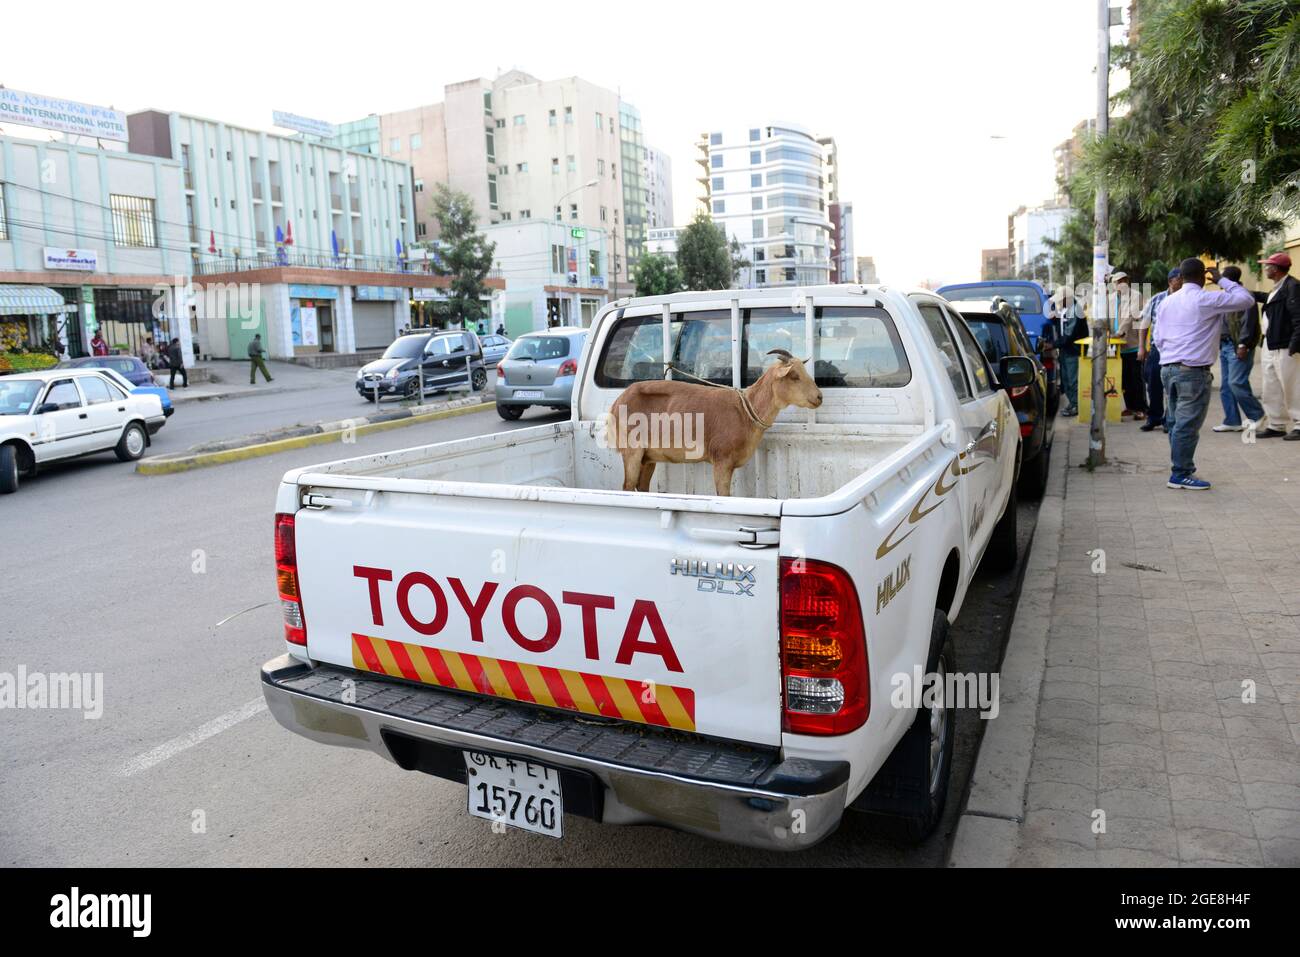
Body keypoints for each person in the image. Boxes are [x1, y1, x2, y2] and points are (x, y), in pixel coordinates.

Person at [1153, 258, 1255, 490]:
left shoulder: (1167, 302)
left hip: (1168, 368)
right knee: (1186, 425)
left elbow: (1157, 336)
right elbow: (1247, 300)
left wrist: (1171, 354)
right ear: (1203, 276)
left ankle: (1180, 468)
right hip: (1192, 371)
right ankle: (1180, 473)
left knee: (1176, 422)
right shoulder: (1206, 298)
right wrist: (1222, 280)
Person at [1248, 251, 1300, 440]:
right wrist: (1249, 293)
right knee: (1270, 385)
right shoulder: (1279, 287)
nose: (1266, 268)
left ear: (1276, 269)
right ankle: (1276, 424)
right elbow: (1270, 300)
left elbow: (1298, 317)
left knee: (1292, 385)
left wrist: (1295, 345)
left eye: (1268, 265)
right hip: (1271, 344)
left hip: (1286, 346)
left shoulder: (1292, 286)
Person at [1210, 265, 1267, 433]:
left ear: (1228, 279)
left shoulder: (1244, 296)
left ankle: (1257, 414)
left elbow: (1249, 323)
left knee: (1236, 382)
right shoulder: (1226, 296)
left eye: (1222, 278)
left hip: (1238, 346)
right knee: (1226, 386)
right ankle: (1232, 420)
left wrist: (1243, 344)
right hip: (1225, 345)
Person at [1137, 268, 1182, 432]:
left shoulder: (1186, 299)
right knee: (1153, 383)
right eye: (1179, 279)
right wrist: (1142, 347)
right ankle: (1154, 417)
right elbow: (1144, 325)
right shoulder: (1157, 299)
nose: (1182, 283)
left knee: (1173, 385)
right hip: (1157, 348)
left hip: (1178, 349)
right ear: (1171, 281)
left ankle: (1169, 420)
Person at [1111, 271, 1146, 419]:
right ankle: (1130, 407)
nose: (1121, 284)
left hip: (1132, 343)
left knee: (1136, 379)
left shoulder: (1136, 296)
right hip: (1117, 346)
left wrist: (1120, 332)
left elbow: (1131, 316)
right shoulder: (1112, 298)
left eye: (1123, 281)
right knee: (1123, 379)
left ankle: (1141, 409)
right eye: (1118, 282)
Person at [1055, 287, 1087, 417]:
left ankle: (1075, 405)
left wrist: (1053, 344)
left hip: (1073, 350)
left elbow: (1069, 334)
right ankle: (1072, 403)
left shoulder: (1075, 310)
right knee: (1066, 379)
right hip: (1066, 350)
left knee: (1072, 380)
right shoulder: (1066, 310)